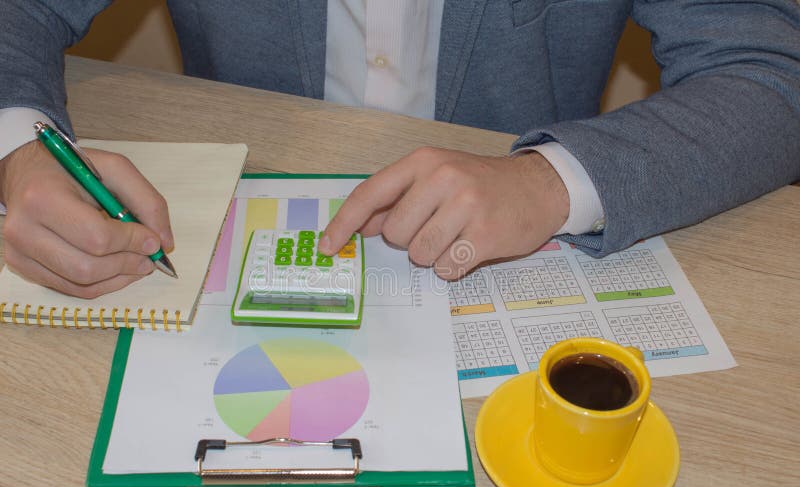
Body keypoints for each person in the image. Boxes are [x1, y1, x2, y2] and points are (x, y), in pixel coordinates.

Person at [1, 1, 798, 298]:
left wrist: (551, 183)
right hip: (242, 202)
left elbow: (771, 72)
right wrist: (18, 147)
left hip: (518, 263)